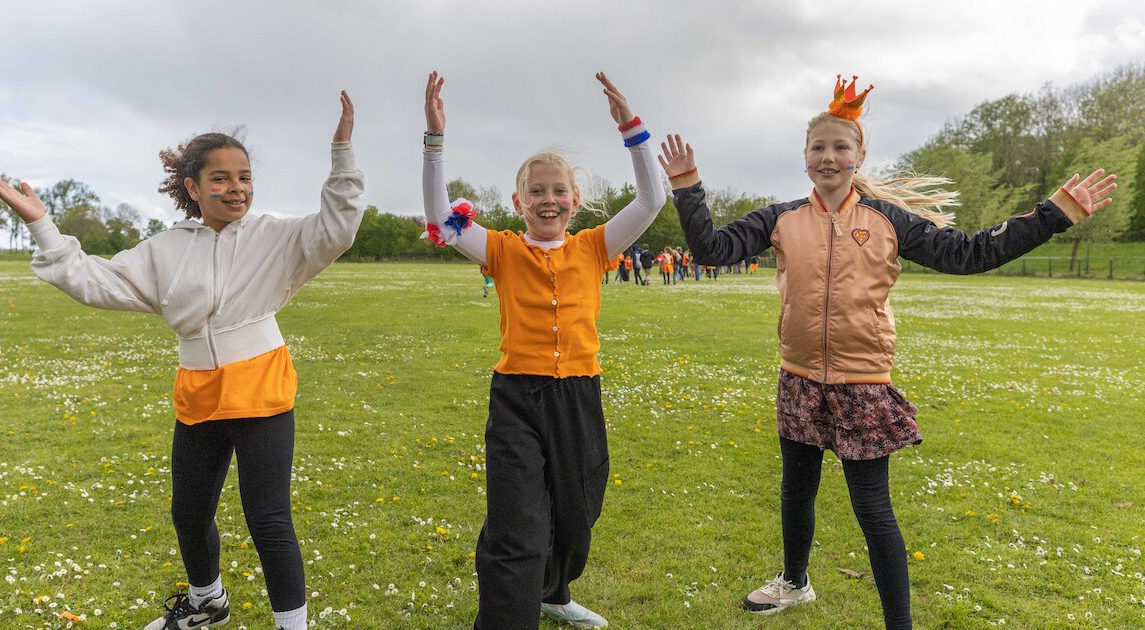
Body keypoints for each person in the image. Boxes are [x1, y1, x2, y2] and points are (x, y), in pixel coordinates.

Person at [660, 75, 1115, 629]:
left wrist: (1054, 213)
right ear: (805, 158)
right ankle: (794, 583)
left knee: (874, 512)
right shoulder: (780, 219)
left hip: (862, 385)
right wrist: (687, 188)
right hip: (799, 378)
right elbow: (711, 250)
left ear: (858, 156)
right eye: (818, 147)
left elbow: (969, 254)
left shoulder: (887, 221)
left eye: (840, 147)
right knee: (796, 492)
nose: (828, 157)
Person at [0, 90, 366, 630]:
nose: (237, 188)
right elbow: (94, 280)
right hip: (198, 392)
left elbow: (337, 228)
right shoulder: (163, 250)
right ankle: (208, 605)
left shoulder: (277, 236)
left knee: (269, 521)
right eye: (221, 178)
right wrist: (42, 224)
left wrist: (342, 156)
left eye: (245, 177)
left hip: (260, 390)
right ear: (193, 187)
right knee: (188, 514)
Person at [422, 70, 664, 629]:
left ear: (574, 201)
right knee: (516, 523)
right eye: (537, 191)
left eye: (558, 191)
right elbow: (439, 218)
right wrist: (435, 140)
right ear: (518, 201)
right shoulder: (500, 249)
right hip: (517, 397)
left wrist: (631, 129)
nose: (548, 199)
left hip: (578, 394)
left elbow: (652, 198)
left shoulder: (595, 246)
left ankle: (553, 592)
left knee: (578, 513)